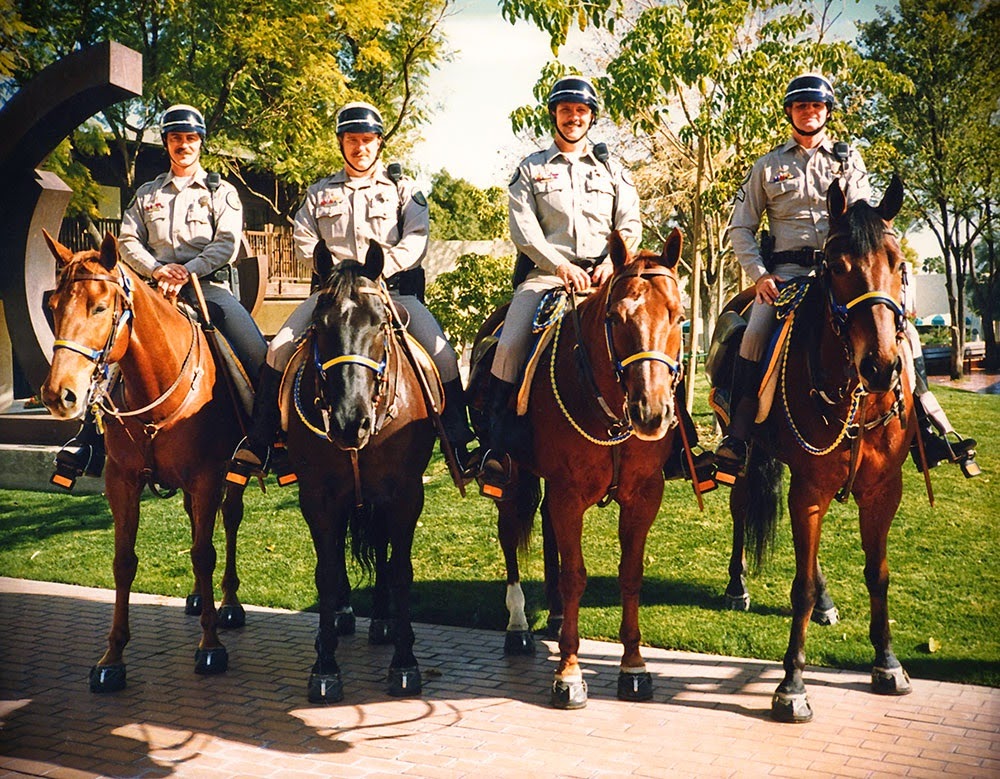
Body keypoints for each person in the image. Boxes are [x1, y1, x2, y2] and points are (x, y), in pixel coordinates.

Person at [716, 73, 976, 484]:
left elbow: (864, 221)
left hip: (844, 273)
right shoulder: (767, 166)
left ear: (826, 112)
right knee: (755, 333)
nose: (809, 112)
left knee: (899, 334)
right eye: (801, 106)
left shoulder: (847, 159)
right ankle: (739, 435)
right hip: (787, 274)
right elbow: (740, 228)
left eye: (816, 106)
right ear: (790, 113)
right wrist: (761, 275)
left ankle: (927, 424)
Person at [226, 101, 475, 487]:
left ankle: (460, 443)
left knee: (441, 353)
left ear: (379, 143)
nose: (360, 147)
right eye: (352, 140)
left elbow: (416, 239)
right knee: (277, 351)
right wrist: (336, 275)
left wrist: (380, 269)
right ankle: (266, 443)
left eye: (367, 140)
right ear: (341, 143)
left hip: (390, 292)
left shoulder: (403, 190)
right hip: (333, 295)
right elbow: (304, 239)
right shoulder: (319, 192)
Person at [51, 103, 267, 490]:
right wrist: (156, 270)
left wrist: (188, 271)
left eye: (190, 138)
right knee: (111, 347)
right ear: (167, 143)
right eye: (175, 138)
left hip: (208, 287)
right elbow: (128, 238)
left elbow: (227, 243)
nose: (183, 144)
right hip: (152, 290)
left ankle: (265, 439)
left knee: (255, 353)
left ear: (200, 142)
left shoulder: (223, 192)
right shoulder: (147, 193)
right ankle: (87, 443)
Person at [477, 75, 643, 499]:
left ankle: (680, 443)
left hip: (606, 276)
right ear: (554, 115)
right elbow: (524, 230)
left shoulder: (612, 169)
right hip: (548, 276)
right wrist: (559, 265)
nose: (574, 117)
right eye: (566, 110)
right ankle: (497, 448)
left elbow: (630, 221)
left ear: (591, 118)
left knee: (651, 334)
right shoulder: (531, 168)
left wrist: (611, 263)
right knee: (511, 344)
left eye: (581, 111)